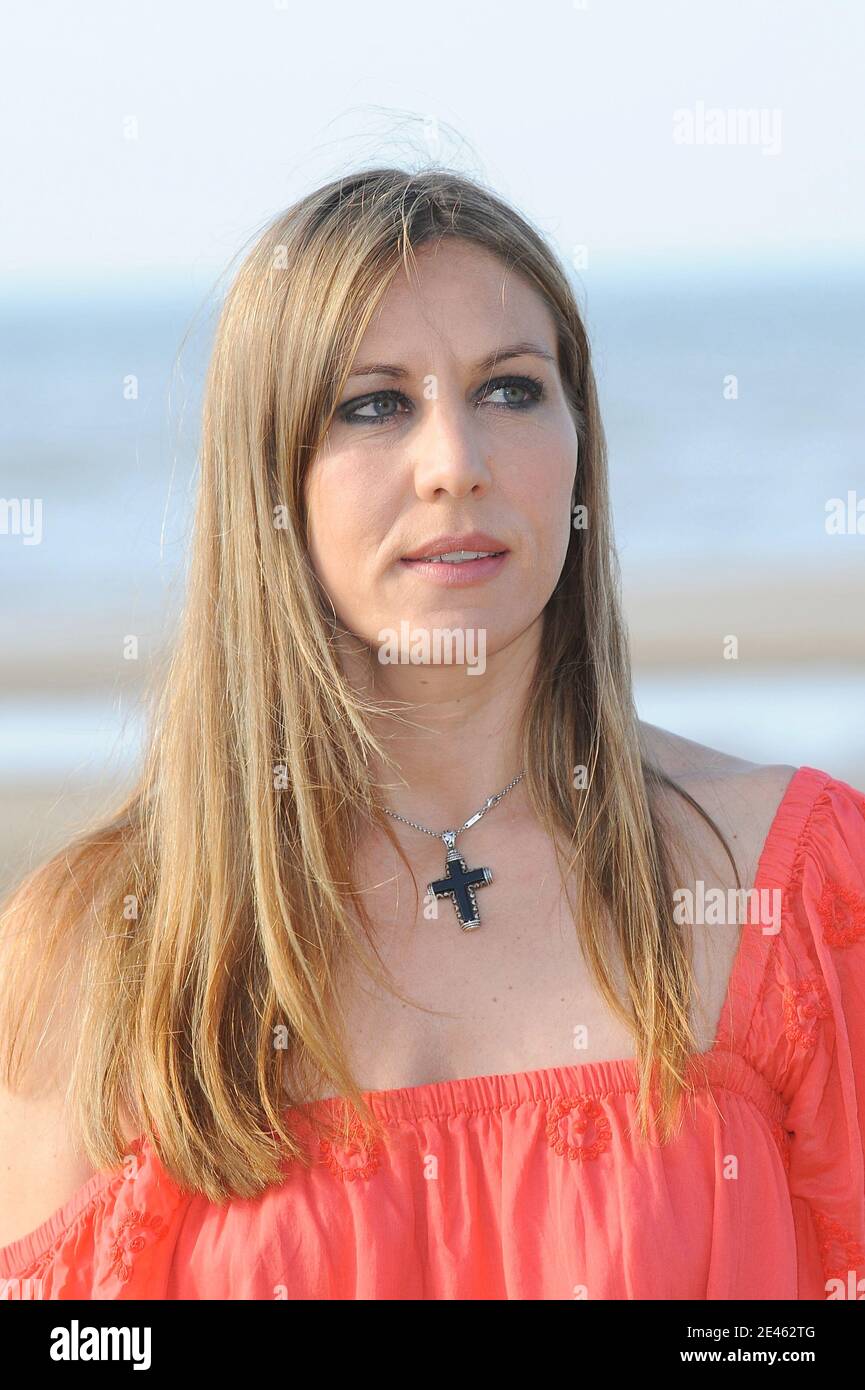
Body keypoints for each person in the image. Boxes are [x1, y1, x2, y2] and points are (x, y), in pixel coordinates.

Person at [1, 167, 863, 1301]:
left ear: (577, 444)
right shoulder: (99, 950)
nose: (456, 458)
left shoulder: (790, 888)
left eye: (510, 389)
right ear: (270, 476)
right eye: (373, 404)